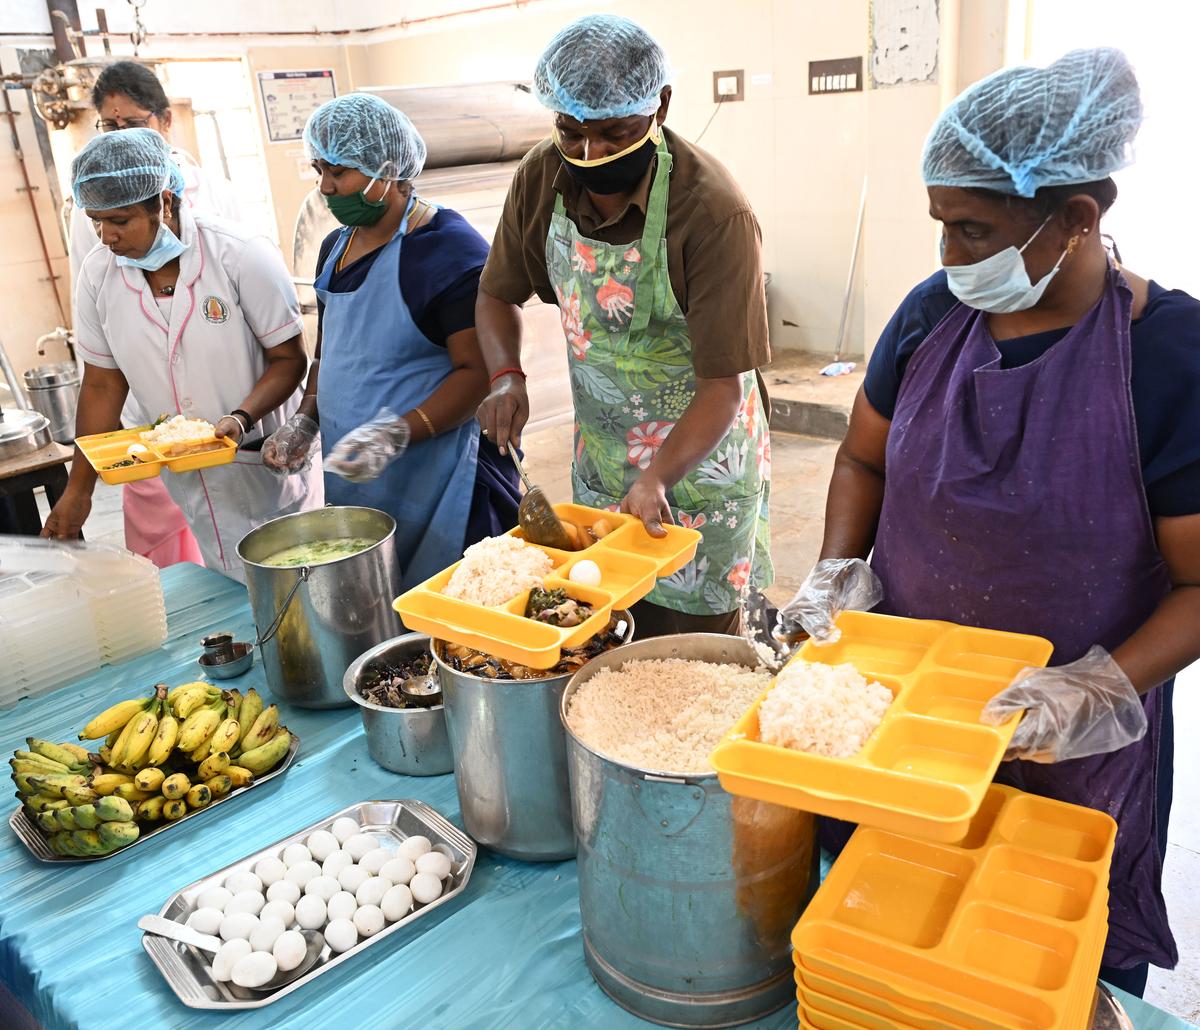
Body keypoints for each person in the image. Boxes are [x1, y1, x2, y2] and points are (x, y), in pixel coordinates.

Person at [778, 49, 1200, 996]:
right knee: (890, 941)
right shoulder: (934, 315)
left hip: (1070, 748)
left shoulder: (1167, 357)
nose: (949, 258)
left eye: (973, 230)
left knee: (1036, 967)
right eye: (940, 228)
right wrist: (837, 572)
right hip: (905, 718)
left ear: (1079, 219)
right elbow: (860, 457)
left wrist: (1090, 690)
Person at [474, 14, 772, 638]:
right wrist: (506, 377)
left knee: (693, 650)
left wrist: (659, 474)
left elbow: (724, 383)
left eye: (615, 134)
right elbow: (497, 293)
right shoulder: (541, 178)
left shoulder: (712, 210)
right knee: (604, 624)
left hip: (699, 464)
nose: (591, 154)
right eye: (572, 133)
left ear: (659, 105)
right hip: (604, 459)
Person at [262, 94, 519, 588]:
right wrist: (305, 420)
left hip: (442, 478)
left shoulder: (447, 250)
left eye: (340, 171)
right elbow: (330, 351)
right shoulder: (335, 247)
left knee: (455, 611)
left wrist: (396, 433)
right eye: (319, 169)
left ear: (390, 168)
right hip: (362, 477)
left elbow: (478, 372)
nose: (326, 186)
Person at [45, 129, 320, 582]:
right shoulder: (98, 275)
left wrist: (241, 417)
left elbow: (290, 359)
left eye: (120, 220)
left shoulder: (240, 255)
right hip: (188, 478)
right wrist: (80, 489)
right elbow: (102, 383)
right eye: (96, 220)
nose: (106, 236)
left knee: (294, 587)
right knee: (227, 589)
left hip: (261, 466)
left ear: (165, 202)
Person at [68, 61, 239, 570]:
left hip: (228, 411)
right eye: (108, 125)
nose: (118, 137)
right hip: (144, 411)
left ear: (164, 121)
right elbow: (98, 309)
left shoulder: (216, 194)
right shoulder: (91, 208)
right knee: (160, 549)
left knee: (239, 542)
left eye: (132, 123)